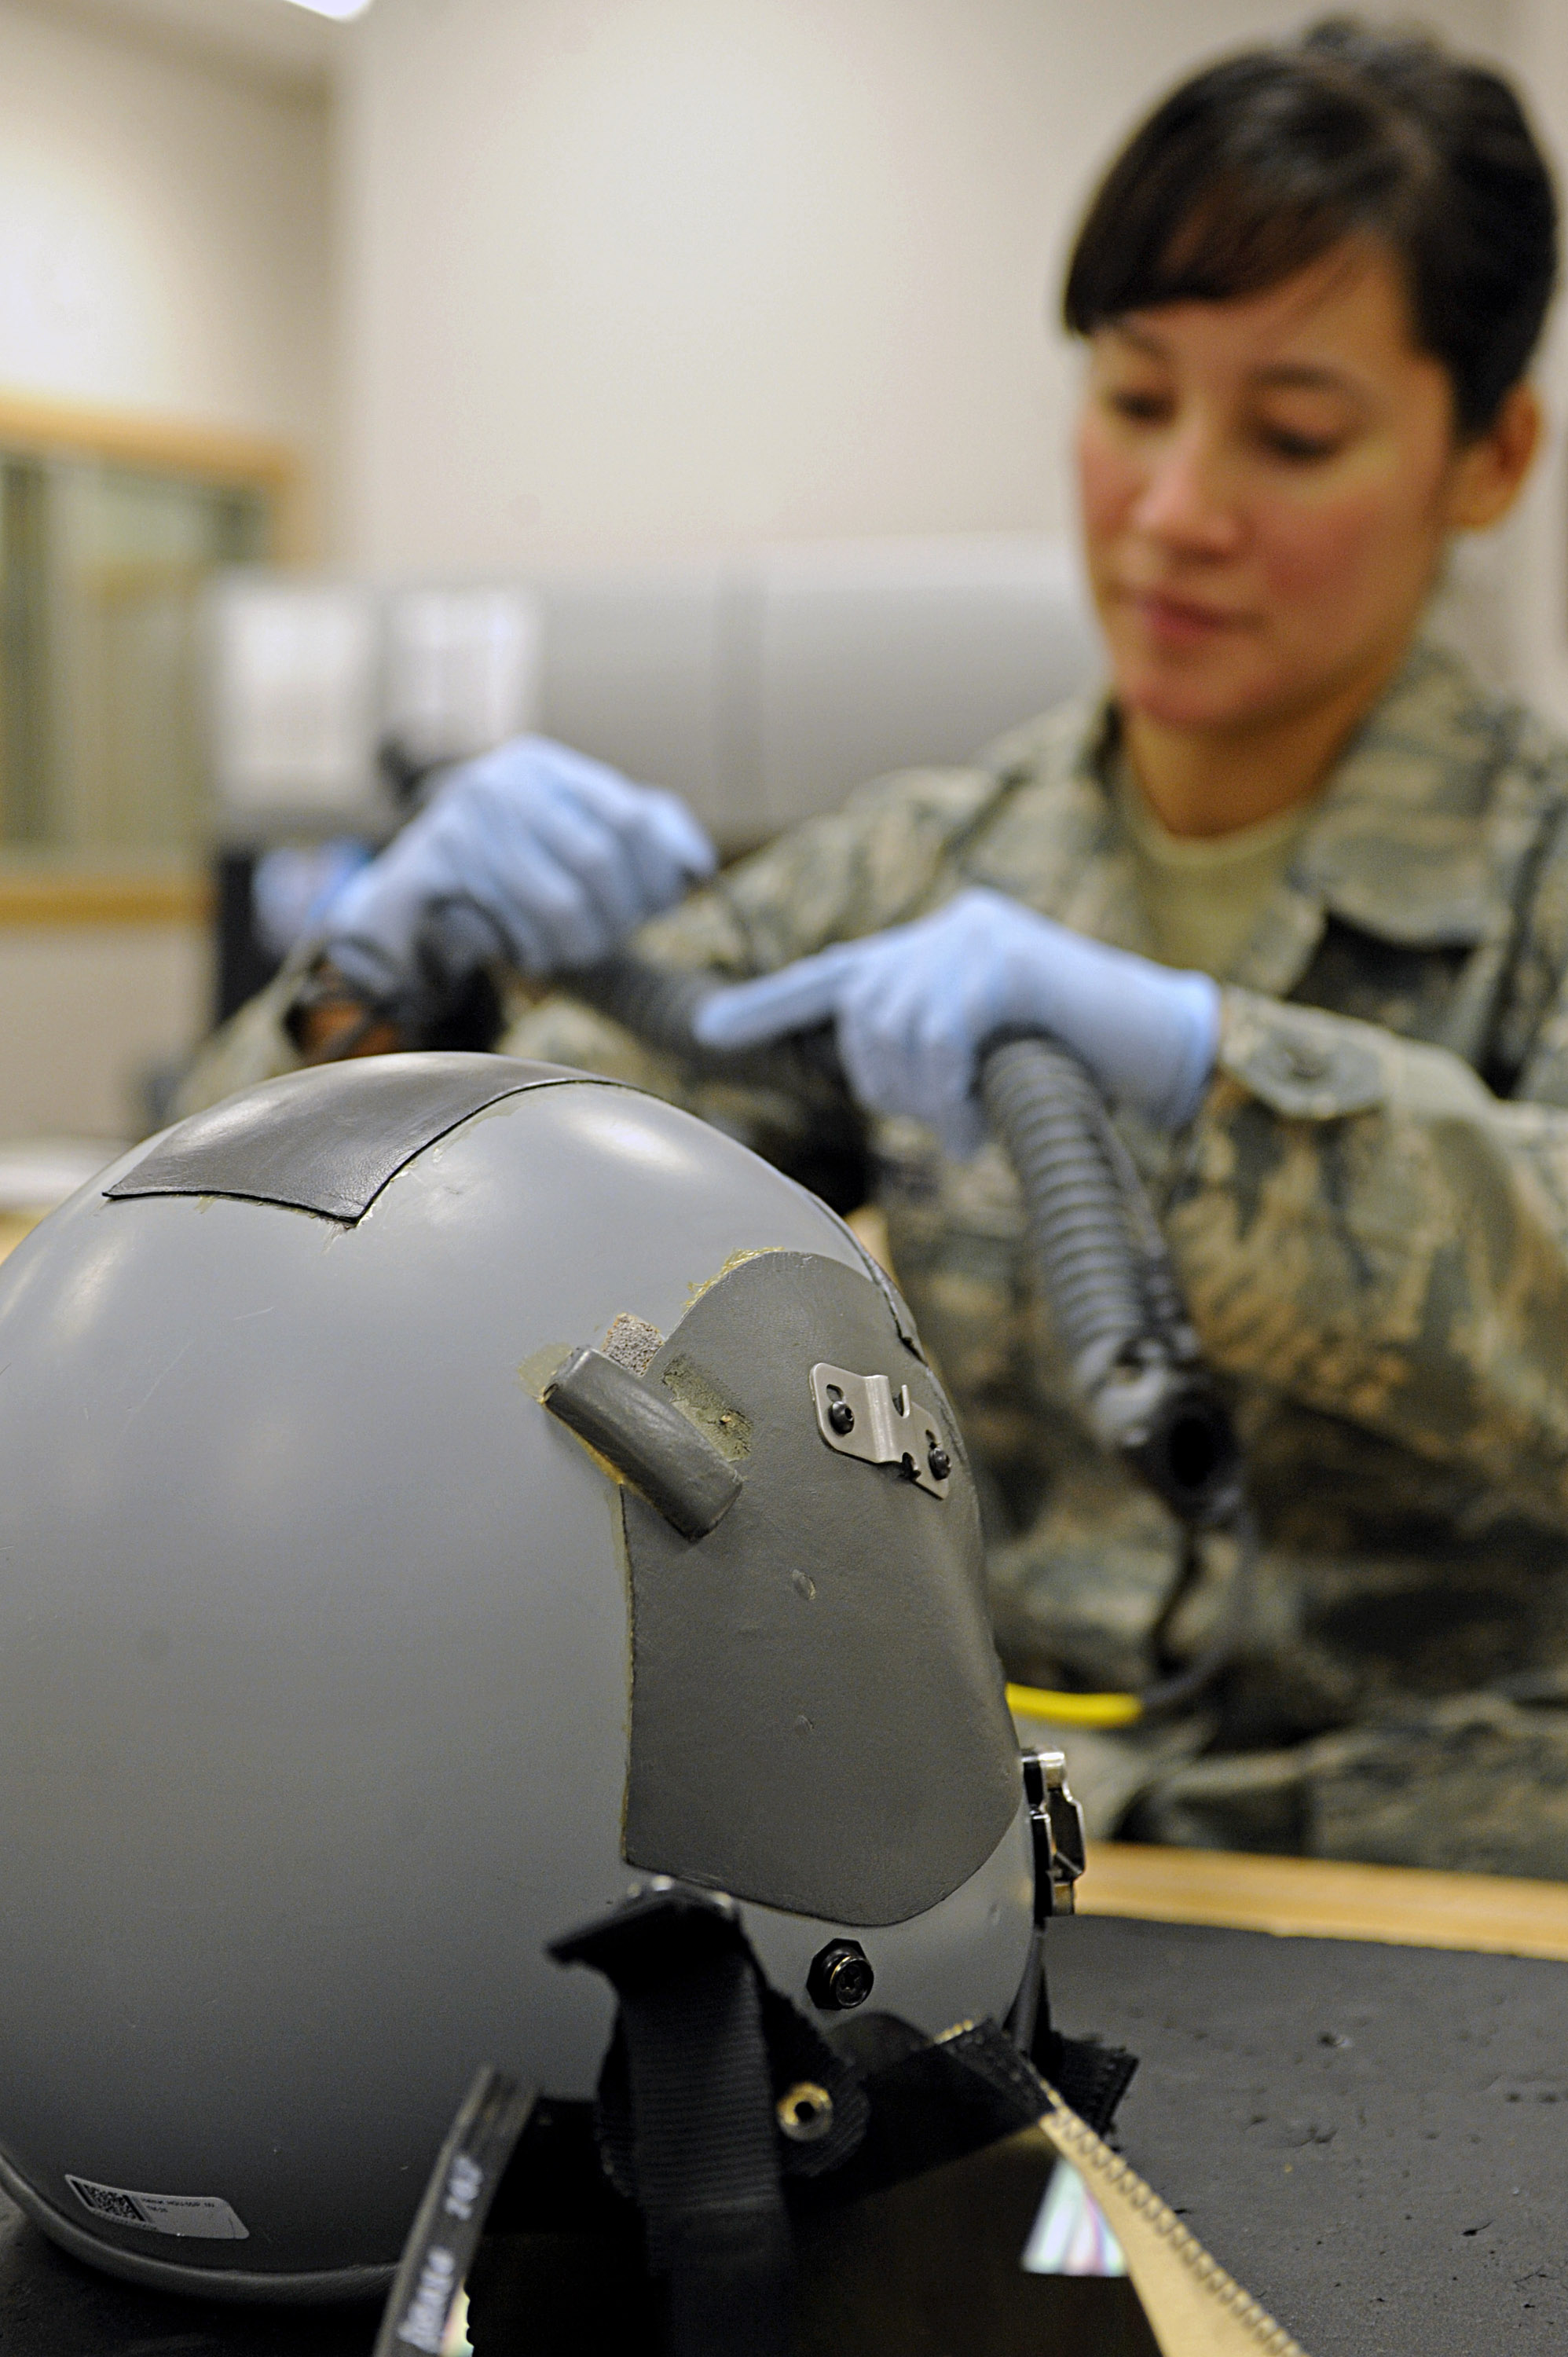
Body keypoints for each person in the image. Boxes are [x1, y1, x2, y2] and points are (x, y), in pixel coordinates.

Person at [181, 18, 1568, 1875]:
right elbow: (356, 1247)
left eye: (1292, 434)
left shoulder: (1536, 866)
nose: (1172, 514)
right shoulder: (920, 873)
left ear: (1485, 459)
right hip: (997, 1858)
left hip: (1454, 1892)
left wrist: (1190, 1070)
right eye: (1133, 403)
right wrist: (368, 986)